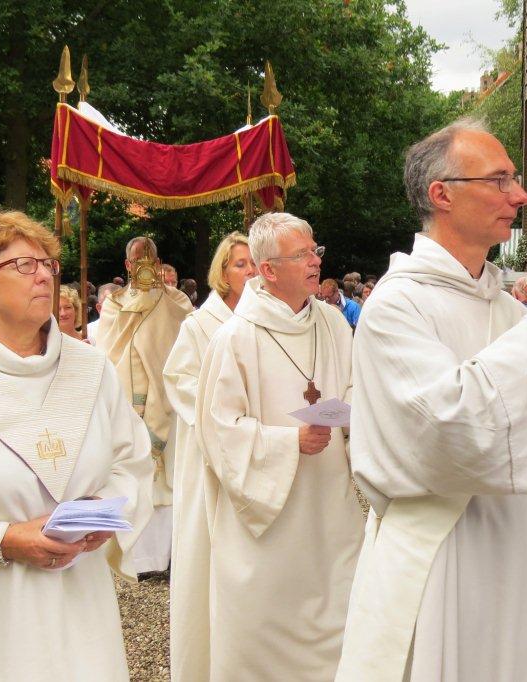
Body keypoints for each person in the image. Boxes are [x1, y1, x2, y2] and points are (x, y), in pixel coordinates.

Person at [337, 118, 527, 682]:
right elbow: (453, 426)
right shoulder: (397, 307)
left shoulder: (504, 310)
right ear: (442, 194)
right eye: (500, 181)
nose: (520, 196)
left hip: (521, 542)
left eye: (516, 179)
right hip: (444, 547)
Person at [0, 211, 154, 680]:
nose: (44, 274)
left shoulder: (91, 370)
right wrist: (4, 540)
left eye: (48, 263)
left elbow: (132, 460)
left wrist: (105, 511)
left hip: (82, 601)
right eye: (25, 266)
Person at [197, 213, 363, 681]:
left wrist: (350, 419)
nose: (315, 262)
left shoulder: (332, 323)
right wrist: (289, 440)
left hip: (329, 507)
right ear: (268, 270)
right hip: (268, 518)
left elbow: (355, 387)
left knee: (339, 622)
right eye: (303, 255)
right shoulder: (235, 337)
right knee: (263, 631)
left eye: (316, 251)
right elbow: (218, 430)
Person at [163, 232, 257, 682]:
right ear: (222, 272)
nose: (251, 271)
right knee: (207, 551)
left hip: (257, 450)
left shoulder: (267, 322)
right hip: (209, 455)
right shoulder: (199, 326)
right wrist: (221, 414)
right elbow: (179, 380)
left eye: (256, 263)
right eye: (240, 264)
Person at [96, 236, 194, 575]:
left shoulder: (177, 300)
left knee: (172, 478)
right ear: (127, 265)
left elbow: (182, 341)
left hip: (169, 400)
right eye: (139, 259)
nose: (146, 264)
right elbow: (112, 347)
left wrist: (159, 302)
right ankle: (140, 558)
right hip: (131, 399)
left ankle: (172, 556)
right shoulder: (113, 304)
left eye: (151, 257)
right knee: (139, 475)